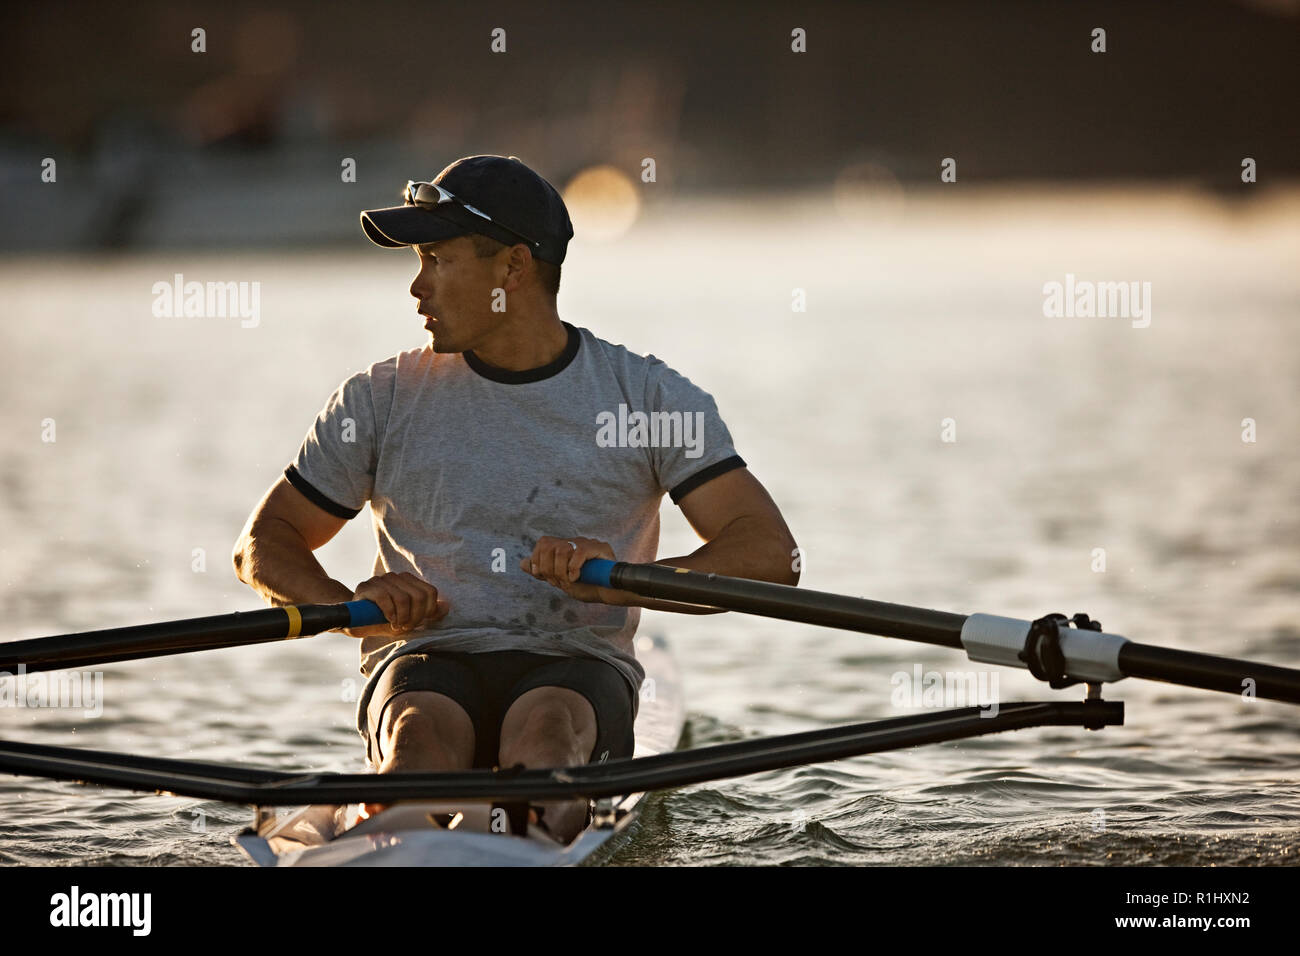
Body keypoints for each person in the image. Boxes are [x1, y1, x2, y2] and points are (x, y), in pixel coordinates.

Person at [231, 154, 799, 842]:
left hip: (576, 667)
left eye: (437, 260)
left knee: (547, 731)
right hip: (425, 662)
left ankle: (516, 822)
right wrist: (345, 606)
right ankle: (418, 821)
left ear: (513, 269)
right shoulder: (379, 399)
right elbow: (264, 541)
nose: (417, 288)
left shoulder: (648, 399)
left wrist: (624, 584)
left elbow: (770, 553)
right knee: (417, 740)